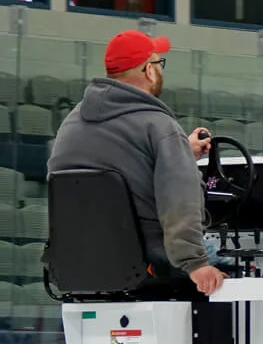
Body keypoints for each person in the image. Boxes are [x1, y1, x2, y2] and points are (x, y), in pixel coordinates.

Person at [47, 30, 226, 296]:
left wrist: (180, 153)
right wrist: (195, 264)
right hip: (149, 263)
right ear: (149, 70)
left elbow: (121, 169)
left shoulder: (71, 125)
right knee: (232, 265)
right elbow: (180, 203)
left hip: (78, 264)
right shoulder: (160, 126)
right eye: (158, 63)